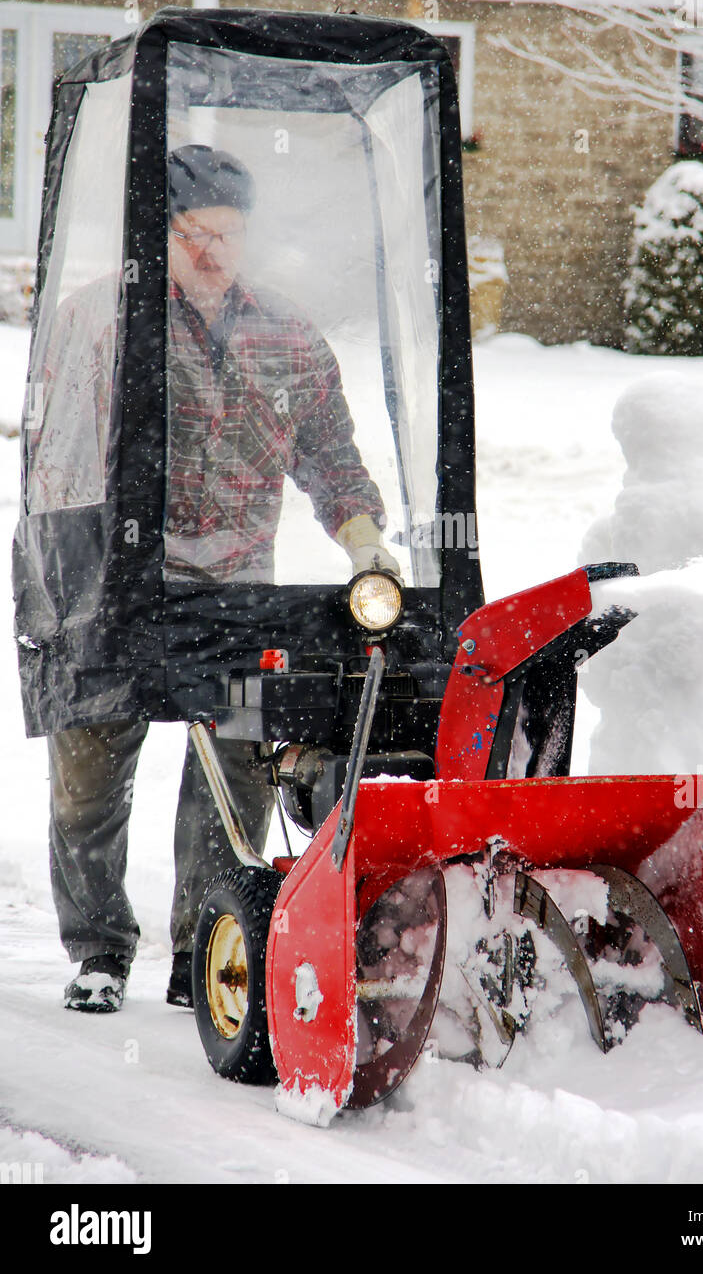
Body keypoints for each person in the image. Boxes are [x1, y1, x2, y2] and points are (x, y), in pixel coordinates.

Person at [52, 145, 399, 1013]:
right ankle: (97, 949)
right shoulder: (103, 322)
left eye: (230, 235)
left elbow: (330, 452)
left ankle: (202, 948)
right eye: (195, 234)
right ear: (156, 233)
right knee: (90, 774)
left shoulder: (285, 334)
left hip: (238, 588)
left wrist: (363, 542)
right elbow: (60, 461)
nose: (213, 251)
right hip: (115, 587)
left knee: (232, 777)